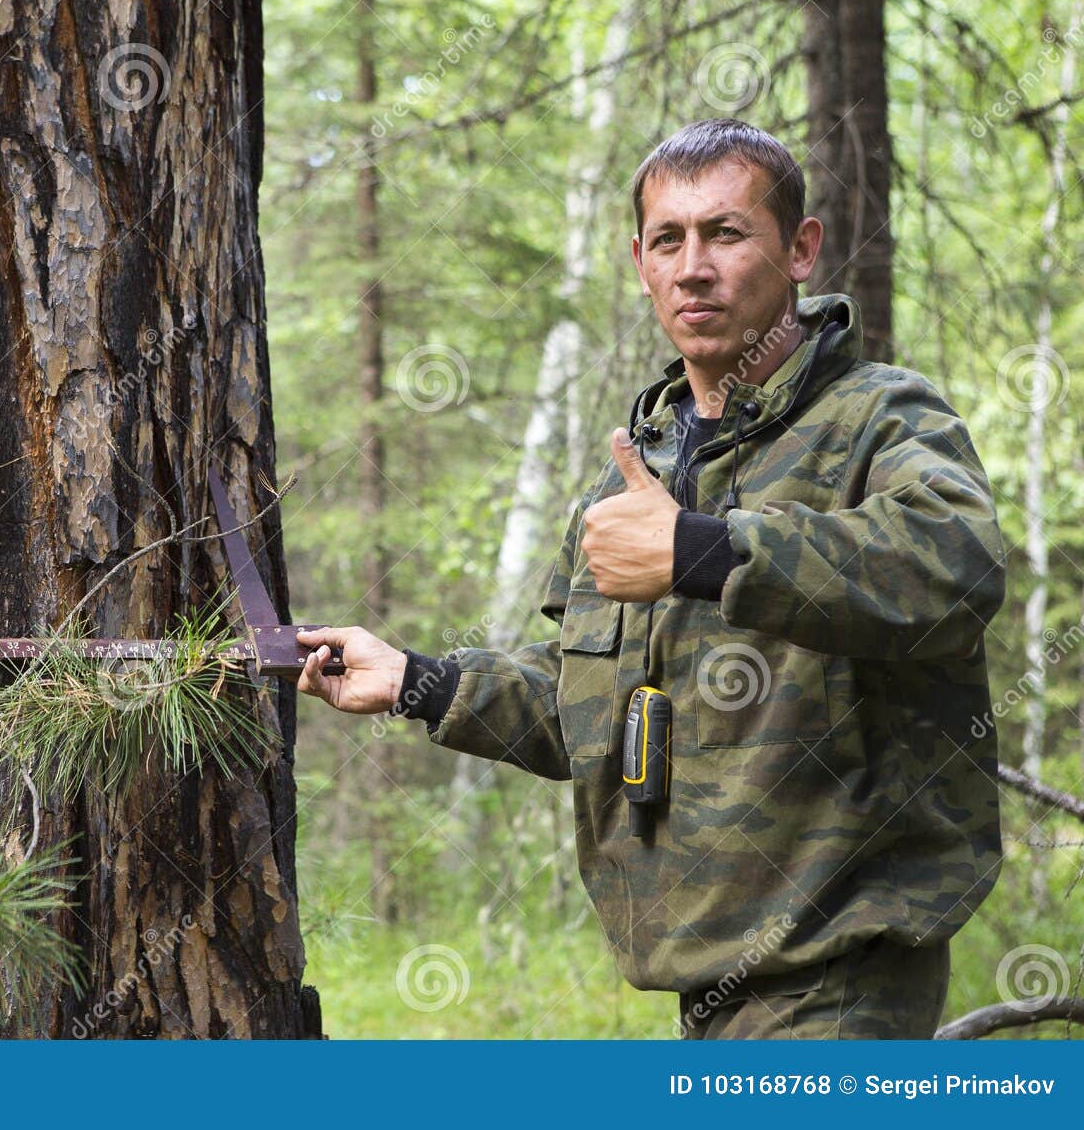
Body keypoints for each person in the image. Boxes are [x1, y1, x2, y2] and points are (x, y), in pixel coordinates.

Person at [294, 118, 1007, 1039]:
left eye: (726, 233)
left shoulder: (878, 416)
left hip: (838, 975)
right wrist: (420, 682)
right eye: (668, 240)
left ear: (801, 249)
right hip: (704, 985)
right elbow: (586, 707)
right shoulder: (641, 468)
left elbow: (954, 568)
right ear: (640, 262)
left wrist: (705, 552)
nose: (693, 266)